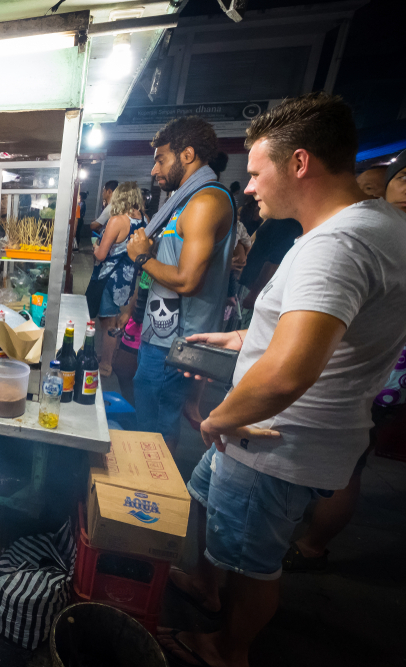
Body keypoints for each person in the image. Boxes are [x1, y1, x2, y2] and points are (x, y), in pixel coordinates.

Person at [158, 92, 406, 667]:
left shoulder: (337, 245)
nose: (248, 188)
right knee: (209, 506)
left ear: (300, 164)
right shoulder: (378, 223)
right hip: (290, 431)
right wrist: (239, 339)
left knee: (253, 563)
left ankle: (226, 648)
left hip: (272, 439)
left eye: (255, 172)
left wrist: (219, 418)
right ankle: (205, 584)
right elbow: (322, 330)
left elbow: (291, 369)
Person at [281, 150, 406, 574]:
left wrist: (222, 418)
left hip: (358, 383)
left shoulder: (350, 240)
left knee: (346, 465)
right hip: (366, 377)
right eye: (403, 178)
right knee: (346, 460)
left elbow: (294, 366)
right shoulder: (382, 232)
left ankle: (312, 544)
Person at [125, 115, 235, 451]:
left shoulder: (205, 201)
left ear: (186, 155)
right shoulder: (183, 202)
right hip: (161, 333)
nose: (155, 170)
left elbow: (188, 281)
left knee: (156, 425)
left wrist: (143, 257)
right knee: (152, 414)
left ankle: (155, 493)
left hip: (176, 342)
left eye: (161, 159)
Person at [88, 182, 146, 377]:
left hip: (109, 278)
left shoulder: (117, 221)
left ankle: (105, 365)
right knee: (117, 320)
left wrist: (95, 248)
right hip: (128, 279)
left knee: (108, 323)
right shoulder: (145, 220)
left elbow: (102, 255)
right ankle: (110, 357)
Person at [237, 217, 302, 326]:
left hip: (256, 289)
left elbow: (274, 263)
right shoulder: (276, 218)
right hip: (248, 284)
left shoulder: (289, 224)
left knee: (244, 327)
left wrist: (254, 294)